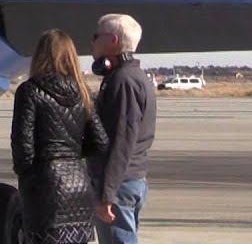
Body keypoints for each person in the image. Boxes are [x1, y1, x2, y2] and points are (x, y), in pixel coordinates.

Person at [11, 29, 109, 244]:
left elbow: (23, 147)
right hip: (78, 185)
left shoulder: (29, 91)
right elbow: (101, 141)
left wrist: (30, 174)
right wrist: (70, 154)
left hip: (45, 187)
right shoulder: (82, 90)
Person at [89, 14, 157, 244]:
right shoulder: (129, 77)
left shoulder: (123, 81)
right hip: (127, 180)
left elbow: (122, 141)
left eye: (96, 36)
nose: (92, 41)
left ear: (113, 40)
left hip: (119, 184)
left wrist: (107, 194)